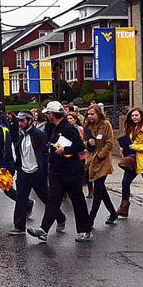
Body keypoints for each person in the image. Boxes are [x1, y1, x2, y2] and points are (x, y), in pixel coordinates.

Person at [28, 101, 93, 243]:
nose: (46, 116)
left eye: (48, 114)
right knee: (53, 200)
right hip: (57, 171)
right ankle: (43, 230)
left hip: (71, 171)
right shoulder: (53, 127)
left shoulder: (69, 128)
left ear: (52, 114)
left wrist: (66, 150)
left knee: (78, 201)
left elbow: (80, 146)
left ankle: (85, 230)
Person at [9, 111, 63, 234]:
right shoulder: (20, 135)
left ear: (29, 121)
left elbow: (45, 153)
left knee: (45, 198)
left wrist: (44, 170)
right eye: (19, 121)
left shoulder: (38, 134)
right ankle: (19, 226)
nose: (20, 123)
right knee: (21, 199)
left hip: (37, 172)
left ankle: (60, 217)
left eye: (22, 121)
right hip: (23, 171)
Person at [84, 104, 119, 225]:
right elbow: (85, 142)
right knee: (101, 189)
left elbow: (110, 143)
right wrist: (89, 143)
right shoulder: (88, 126)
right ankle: (113, 213)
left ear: (98, 114)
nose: (90, 116)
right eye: (88, 114)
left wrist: (100, 155)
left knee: (98, 189)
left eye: (92, 114)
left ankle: (90, 218)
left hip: (103, 160)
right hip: (92, 159)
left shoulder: (106, 125)